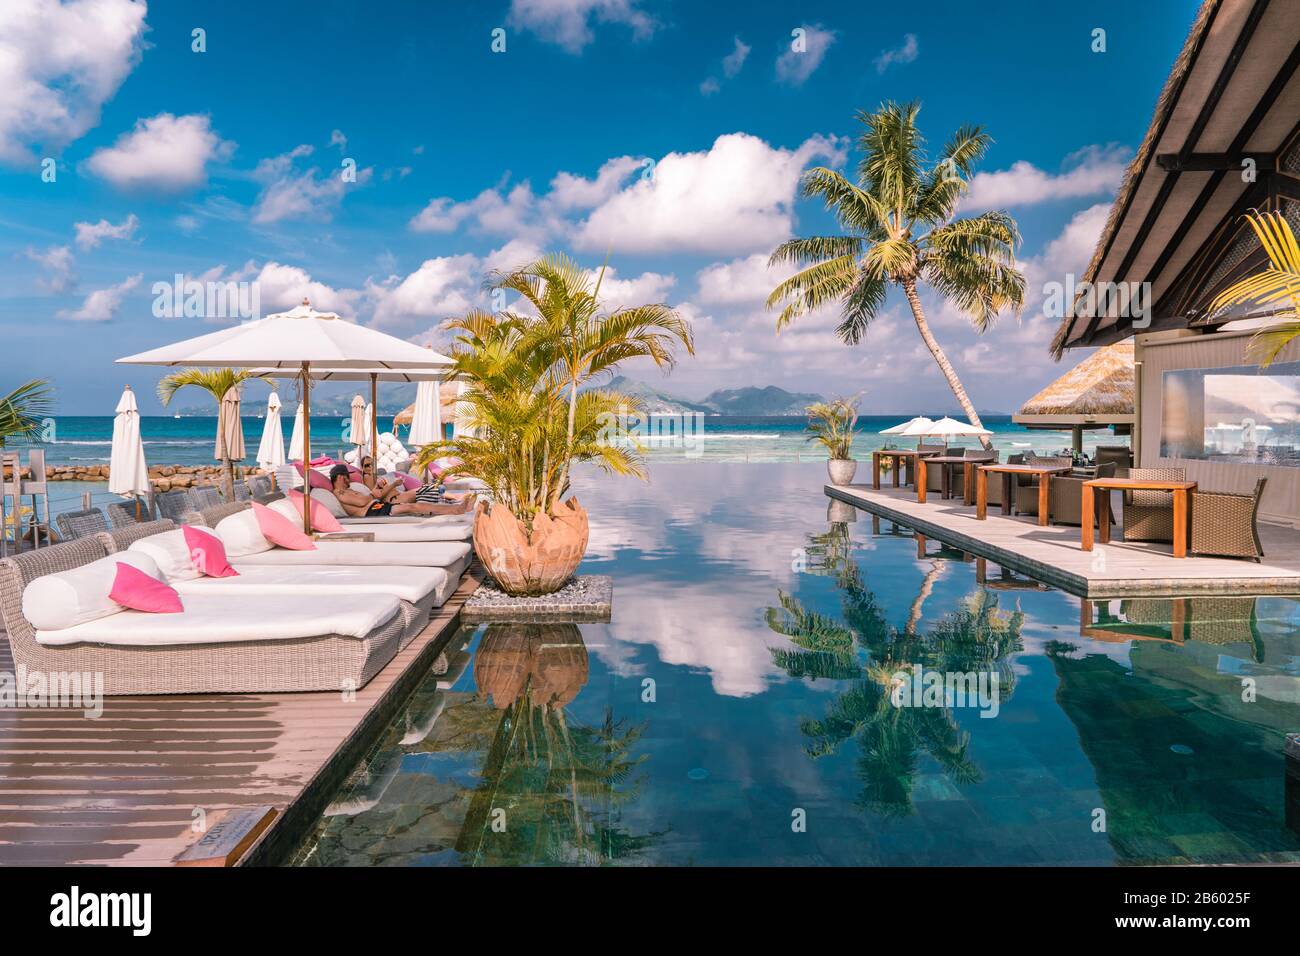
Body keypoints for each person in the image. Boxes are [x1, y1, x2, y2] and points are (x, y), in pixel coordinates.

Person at [328, 464, 471, 518]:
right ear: (340, 477)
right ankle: (455, 508)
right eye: (347, 476)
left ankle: (455, 507)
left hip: (376, 507)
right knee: (412, 506)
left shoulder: (348, 490)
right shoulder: (339, 493)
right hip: (372, 511)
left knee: (414, 506)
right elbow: (362, 501)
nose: (349, 479)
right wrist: (373, 494)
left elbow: (367, 498)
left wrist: (375, 491)